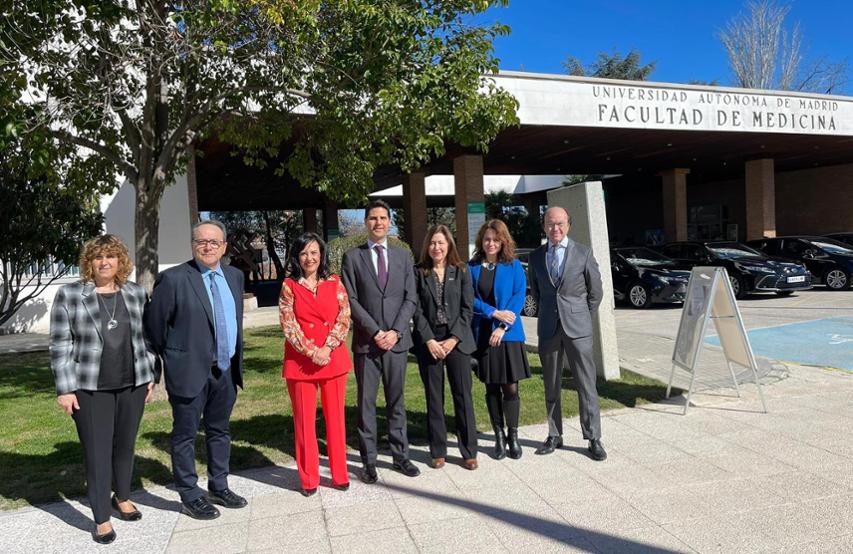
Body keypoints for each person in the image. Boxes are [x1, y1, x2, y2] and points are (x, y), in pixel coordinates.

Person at [49, 234, 157, 544]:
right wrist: (65, 388)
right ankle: (101, 517)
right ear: (90, 262)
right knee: (97, 453)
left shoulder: (135, 294)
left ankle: (122, 496)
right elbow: (60, 343)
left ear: (121, 262)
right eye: (98, 257)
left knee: (124, 445)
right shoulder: (70, 295)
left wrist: (149, 374)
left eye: (111, 256)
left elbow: (145, 338)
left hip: (132, 384)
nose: (104, 262)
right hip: (89, 387)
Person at [144, 220, 248, 520]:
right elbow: (155, 329)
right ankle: (190, 494)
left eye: (214, 242)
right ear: (193, 245)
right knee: (185, 435)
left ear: (224, 247)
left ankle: (219, 485)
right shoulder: (174, 279)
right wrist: (172, 360)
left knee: (220, 431)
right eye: (202, 241)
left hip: (225, 371)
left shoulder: (234, 276)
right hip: (189, 371)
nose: (208, 246)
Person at [341, 199, 420, 483]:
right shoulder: (352, 257)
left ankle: (401, 457)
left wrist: (396, 331)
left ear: (390, 222)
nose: (378, 223)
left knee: (396, 402)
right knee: (366, 404)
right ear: (366, 223)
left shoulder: (402, 257)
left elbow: (411, 297)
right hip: (367, 343)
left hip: (397, 342)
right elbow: (351, 299)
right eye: (373, 218)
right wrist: (375, 331)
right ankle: (369, 461)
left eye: (383, 218)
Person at [528, 207, 606, 461]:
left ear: (568, 225)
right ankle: (554, 434)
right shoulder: (536, 256)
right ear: (544, 227)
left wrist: (581, 315)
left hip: (578, 329)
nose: (555, 229)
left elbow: (596, 292)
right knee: (551, 384)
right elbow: (538, 292)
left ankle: (593, 437)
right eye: (550, 224)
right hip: (549, 328)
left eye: (560, 224)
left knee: (586, 385)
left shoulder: (583, 253)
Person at [278, 232, 352, 496]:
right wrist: (312, 352)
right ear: (297, 257)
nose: (309, 258)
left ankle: (340, 474)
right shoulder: (289, 285)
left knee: (336, 420)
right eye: (303, 253)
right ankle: (309, 478)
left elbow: (344, 317)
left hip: (332, 358)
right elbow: (288, 324)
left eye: (314, 252)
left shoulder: (335, 282)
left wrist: (328, 347)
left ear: (321, 255)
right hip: (301, 362)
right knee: (305, 423)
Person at [412, 225, 478, 470]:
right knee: (434, 397)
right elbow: (415, 309)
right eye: (432, 243)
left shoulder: (460, 271)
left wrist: (452, 340)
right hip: (429, 340)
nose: (436, 247)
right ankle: (437, 450)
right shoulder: (418, 272)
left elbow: (467, 309)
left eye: (440, 243)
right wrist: (429, 340)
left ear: (449, 245)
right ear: (427, 247)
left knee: (463, 396)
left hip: (457, 341)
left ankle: (469, 451)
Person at [469, 219, 530, 460]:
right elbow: (469, 299)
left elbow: (518, 297)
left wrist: (503, 325)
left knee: (511, 387)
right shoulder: (471, 267)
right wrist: (493, 312)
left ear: (503, 241)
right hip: (483, 334)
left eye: (495, 239)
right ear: (481, 241)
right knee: (491, 387)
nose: (491, 243)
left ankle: (513, 436)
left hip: (509, 335)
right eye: (487, 239)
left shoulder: (513, 266)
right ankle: (498, 436)